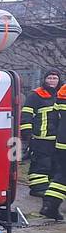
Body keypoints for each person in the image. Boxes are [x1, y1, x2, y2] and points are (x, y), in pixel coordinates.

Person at [20, 68, 61, 197]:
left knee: (56, 163)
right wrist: (27, 132)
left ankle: (51, 188)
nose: (52, 81)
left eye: (55, 78)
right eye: (49, 78)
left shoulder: (61, 95)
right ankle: (38, 188)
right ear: (44, 79)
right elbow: (26, 114)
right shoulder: (36, 95)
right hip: (41, 137)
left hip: (58, 138)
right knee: (41, 163)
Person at [40, 80, 66, 221]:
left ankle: (50, 205)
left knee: (62, 175)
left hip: (62, 142)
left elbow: (55, 117)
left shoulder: (62, 93)